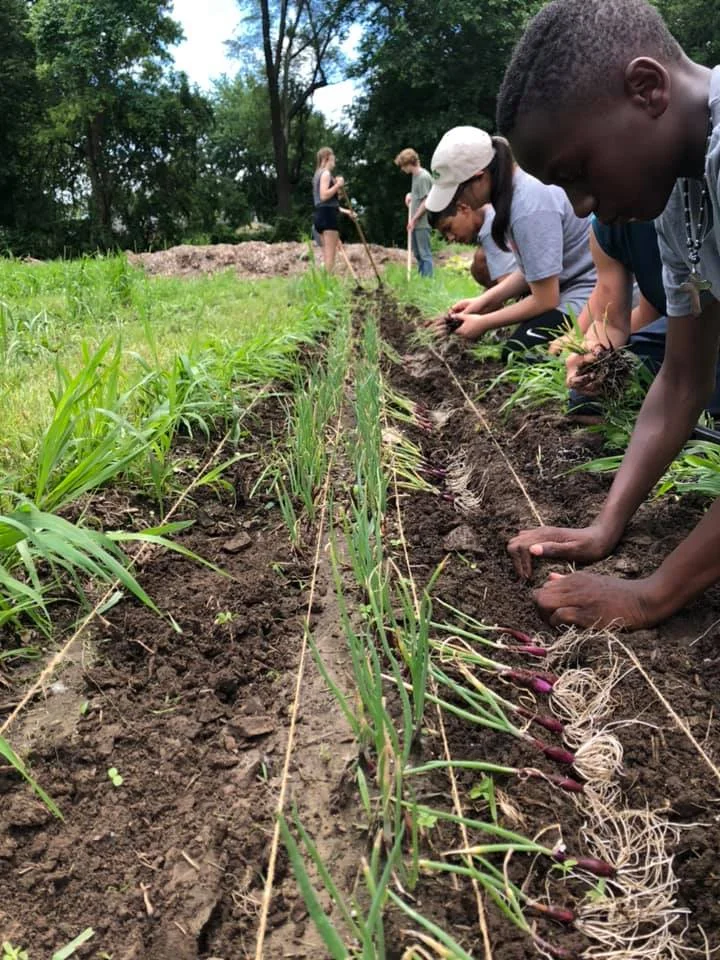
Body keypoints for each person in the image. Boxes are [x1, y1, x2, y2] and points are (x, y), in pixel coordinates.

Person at [497, 0, 720, 630]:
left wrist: (652, 594)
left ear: (647, 89)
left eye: (577, 173)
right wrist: (605, 526)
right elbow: (682, 379)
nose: (582, 202)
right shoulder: (681, 195)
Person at [425, 127, 596, 357]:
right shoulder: (510, 199)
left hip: (590, 294)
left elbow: (545, 298)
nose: (458, 202)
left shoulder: (527, 206)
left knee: (518, 353)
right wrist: (481, 302)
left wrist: (483, 322)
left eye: (457, 195)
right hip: (567, 289)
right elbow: (531, 272)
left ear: (479, 177)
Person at [312, 147, 354, 273]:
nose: (334, 160)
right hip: (328, 217)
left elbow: (330, 202)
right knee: (330, 258)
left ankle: (324, 285)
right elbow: (324, 195)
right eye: (333, 157)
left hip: (321, 215)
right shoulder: (325, 173)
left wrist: (347, 211)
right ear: (326, 158)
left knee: (327, 256)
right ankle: (327, 287)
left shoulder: (317, 175)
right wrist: (338, 185)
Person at [394, 148, 434, 277]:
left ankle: (428, 281)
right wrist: (409, 194)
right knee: (417, 254)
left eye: (403, 166)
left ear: (409, 163)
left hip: (422, 222)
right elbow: (418, 194)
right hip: (416, 222)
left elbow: (426, 201)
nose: (402, 169)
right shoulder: (415, 176)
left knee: (424, 254)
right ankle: (423, 279)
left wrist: (414, 219)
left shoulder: (423, 176)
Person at [471, 205, 518, 289]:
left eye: (449, 228)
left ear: (463, 209)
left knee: (480, 259)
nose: (450, 237)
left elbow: (506, 285)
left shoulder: (489, 228)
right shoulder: (491, 210)